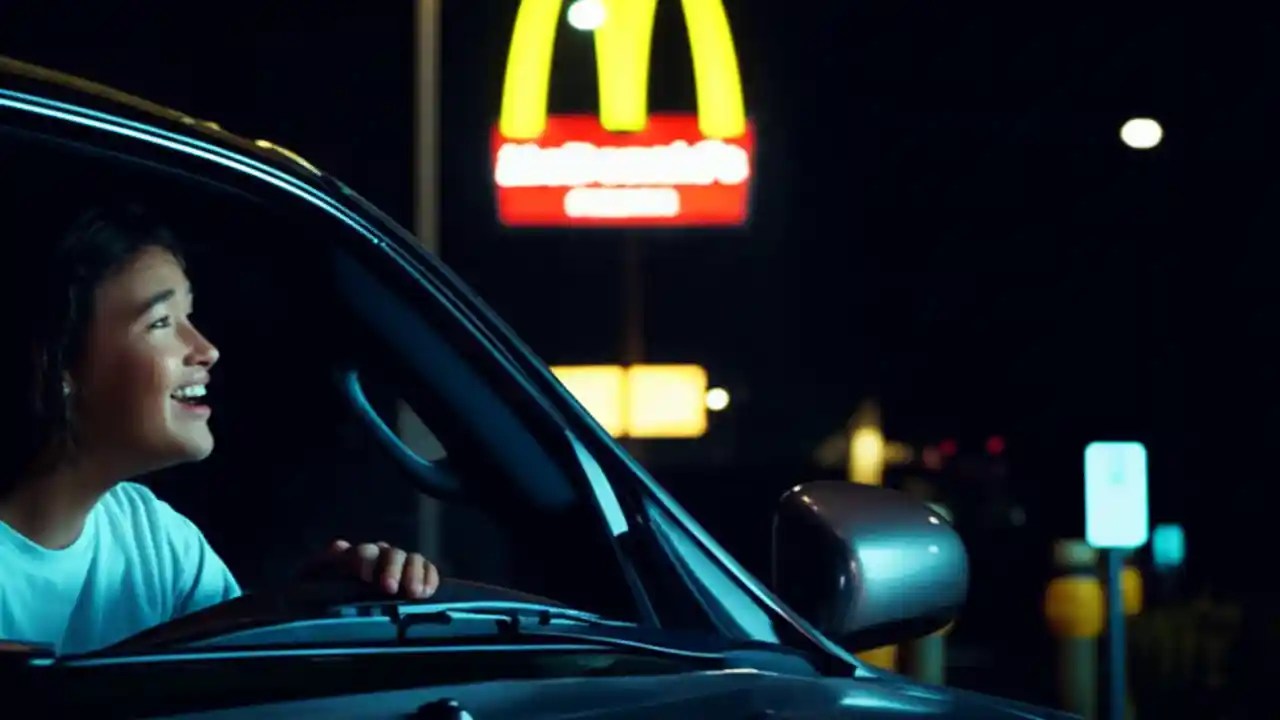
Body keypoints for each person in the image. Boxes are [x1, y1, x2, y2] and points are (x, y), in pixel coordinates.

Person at [0, 203, 439, 655]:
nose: (205, 350)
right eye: (161, 322)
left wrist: (320, 606)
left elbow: (252, 676)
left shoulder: (155, 540)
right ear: (59, 368)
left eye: (189, 317)